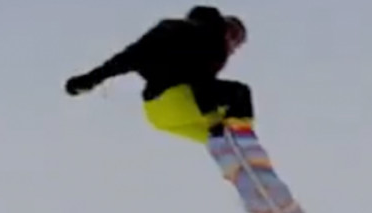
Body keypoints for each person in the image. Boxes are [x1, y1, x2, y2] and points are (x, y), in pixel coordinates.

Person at [64, 6, 251, 143]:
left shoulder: (167, 31)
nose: (233, 49)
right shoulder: (212, 37)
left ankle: (235, 159)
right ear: (228, 31)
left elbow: (127, 59)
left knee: (220, 139)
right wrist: (211, 116)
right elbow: (200, 78)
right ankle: (245, 143)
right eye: (237, 41)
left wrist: (90, 79)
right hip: (181, 99)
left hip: (158, 112)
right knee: (239, 94)